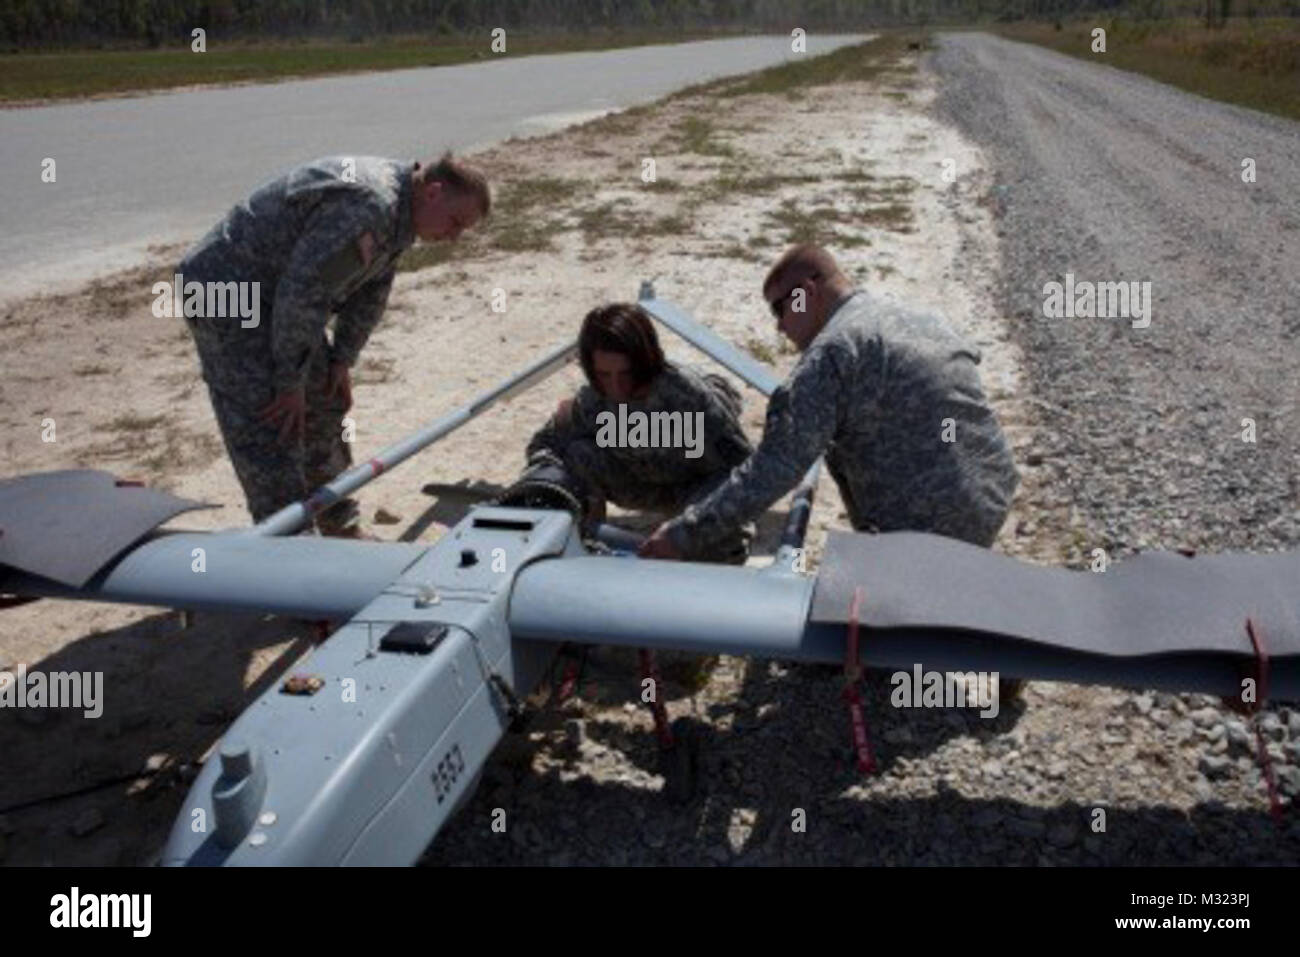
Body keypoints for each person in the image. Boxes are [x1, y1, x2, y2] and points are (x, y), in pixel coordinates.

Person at [640, 244, 1019, 560]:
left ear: (807, 292)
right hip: (991, 496)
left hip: (928, 531)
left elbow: (775, 468)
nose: (779, 326)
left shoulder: (833, 353)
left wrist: (684, 535)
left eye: (780, 308)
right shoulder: (923, 318)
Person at [179, 152, 489, 535]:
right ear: (434, 193)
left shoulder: (402, 213)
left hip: (272, 296)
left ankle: (338, 521)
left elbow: (370, 292)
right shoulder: (371, 206)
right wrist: (290, 382)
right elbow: (302, 295)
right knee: (272, 419)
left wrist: (341, 360)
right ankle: (288, 543)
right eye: (456, 223)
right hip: (222, 290)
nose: (454, 238)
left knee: (325, 400)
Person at [523, 302, 755, 563]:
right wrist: (543, 482)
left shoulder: (686, 397)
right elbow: (544, 444)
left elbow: (745, 473)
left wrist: (686, 528)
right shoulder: (594, 400)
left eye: (626, 373)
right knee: (577, 455)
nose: (616, 387)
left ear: (644, 362)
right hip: (640, 483)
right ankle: (589, 547)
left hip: (695, 486)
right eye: (604, 374)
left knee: (723, 547)